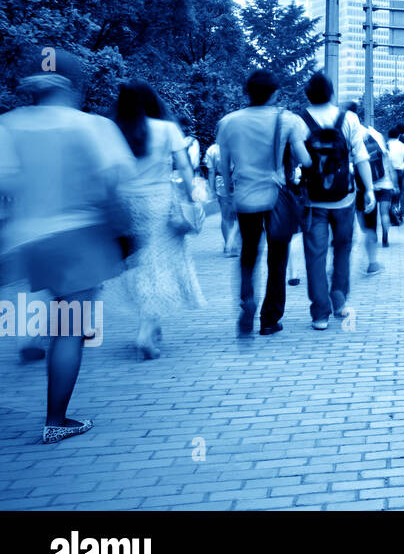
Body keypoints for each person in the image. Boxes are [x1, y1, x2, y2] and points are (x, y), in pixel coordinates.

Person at [0, 49, 136, 444]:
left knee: (53, 316)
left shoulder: (9, 126)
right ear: (74, 83)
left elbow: (6, 189)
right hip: (80, 237)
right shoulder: (91, 127)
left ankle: (32, 346)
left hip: (29, 239)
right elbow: (115, 186)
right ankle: (56, 420)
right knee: (69, 330)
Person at [216, 70, 312, 337]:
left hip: (245, 197)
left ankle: (247, 298)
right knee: (277, 259)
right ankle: (269, 319)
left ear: (247, 91)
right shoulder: (287, 120)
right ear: (275, 93)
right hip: (276, 197)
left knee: (248, 254)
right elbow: (304, 159)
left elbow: (224, 166)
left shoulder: (228, 122)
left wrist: (230, 191)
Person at [114, 83, 207, 359]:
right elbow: (184, 167)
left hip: (126, 204)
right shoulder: (167, 129)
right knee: (162, 266)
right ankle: (146, 330)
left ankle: (153, 326)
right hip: (159, 203)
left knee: (140, 265)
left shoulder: (115, 131)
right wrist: (192, 200)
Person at [292, 74, 374, 330]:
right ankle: (338, 301)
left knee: (314, 255)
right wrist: (369, 189)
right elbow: (361, 157)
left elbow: (297, 162)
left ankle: (319, 314)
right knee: (342, 248)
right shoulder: (348, 118)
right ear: (332, 93)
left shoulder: (299, 121)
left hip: (313, 200)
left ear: (307, 94)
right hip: (344, 198)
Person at [348, 107, 393, 273]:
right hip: (371, 185)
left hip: (344, 186)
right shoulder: (372, 133)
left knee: (342, 225)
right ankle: (372, 263)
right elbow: (385, 159)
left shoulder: (338, 128)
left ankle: (339, 261)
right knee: (368, 226)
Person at [204, 139, 239, 256]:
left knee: (225, 217)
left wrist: (212, 189)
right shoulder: (239, 145)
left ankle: (228, 244)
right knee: (240, 216)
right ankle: (232, 243)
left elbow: (211, 172)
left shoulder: (212, 150)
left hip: (221, 182)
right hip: (239, 182)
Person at [387, 126, 404, 225]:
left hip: (387, 172)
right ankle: (395, 212)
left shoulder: (385, 145)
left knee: (387, 195)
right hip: (399, 172)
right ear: (399, 135)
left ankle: (389, 213)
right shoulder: (403, 146)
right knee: (397, 195)